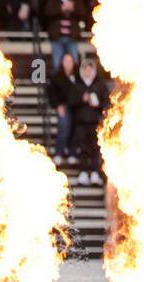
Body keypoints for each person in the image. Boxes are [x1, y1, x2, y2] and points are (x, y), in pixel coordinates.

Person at [73, 57, 108, 187]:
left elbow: (107, 102)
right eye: (85, 69)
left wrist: (97, 102)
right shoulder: (77, 84)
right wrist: (82, 99)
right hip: (81, 121)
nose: (88, 72)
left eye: (90, 69)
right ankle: (83, 171)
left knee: (94, 148)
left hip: (95, 122)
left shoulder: (100, 84)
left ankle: (94, 172)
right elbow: (71, 100)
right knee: (82, 148)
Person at [47, 51, 79, 166]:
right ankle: (59, 153)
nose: (68, 63)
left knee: (75, 130)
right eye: (66, 61)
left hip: (76, 107)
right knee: (64, 128)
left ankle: (72, 153)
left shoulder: (78, 75)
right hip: (63, 106)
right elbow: (51, 92)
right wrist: (57, 105)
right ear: (62, 62)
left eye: (70, 61)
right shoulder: (57, 76)